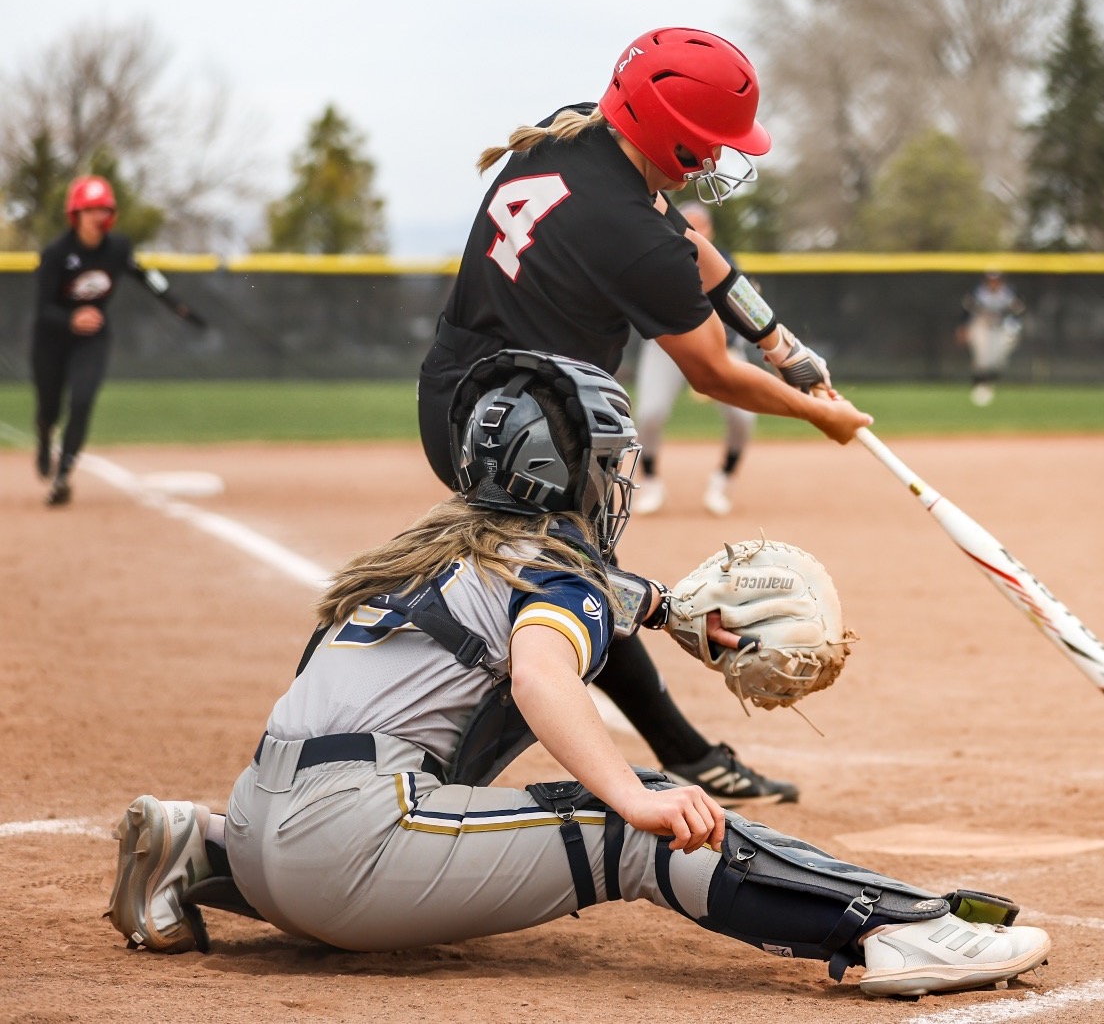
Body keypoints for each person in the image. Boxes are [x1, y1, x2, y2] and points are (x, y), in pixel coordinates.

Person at [102, 352, 1050, 1000]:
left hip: (271, 829)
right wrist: (629, 797)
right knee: (634, 830)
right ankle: (892, 928)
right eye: (610, 464)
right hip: (351, 850)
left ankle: (199, 849)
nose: (617, 482)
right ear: (572, 475)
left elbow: (587, 599)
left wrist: (679, 615)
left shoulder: (433, 552)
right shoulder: (552, 573)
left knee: (478, 768)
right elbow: (541, 677)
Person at [415, 26, 871, 808]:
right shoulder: (628, 240)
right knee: (561, 591)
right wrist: (814, 414)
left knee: (571, 579)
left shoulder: (584, 132)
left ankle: (684, 751)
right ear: (678, 141)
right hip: (513, 428)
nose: (720, 158)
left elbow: (689, 247)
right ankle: (435, 780)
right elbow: (710, 374)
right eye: (711, 144)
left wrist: (779, 340)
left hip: (483, 394)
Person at [30, 175, 206, 505]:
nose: (99, 216)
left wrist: (175, 303)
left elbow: (143, 274)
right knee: (50, 409)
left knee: (82, 400)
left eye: (104, 209)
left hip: (92, 338)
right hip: (51, 340)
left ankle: (63, 475)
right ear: (76, 215)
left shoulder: (117, 247)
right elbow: (42, 309)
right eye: (91, 209)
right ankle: (44, 437)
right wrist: (71, 318)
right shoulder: (56, 254)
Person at [633, 202, 758, 518]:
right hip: (666, 344)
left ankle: (723, 480)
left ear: (709, 230)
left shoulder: (723, 262)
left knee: (743, 419)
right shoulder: (656, 258)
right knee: (649, 414)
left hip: (719, 345)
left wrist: (722, 350)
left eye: (699, 224)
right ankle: (650, 481)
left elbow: (737, 309)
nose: (692, 229)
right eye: (685, 222)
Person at [958, 271, 1024, 407]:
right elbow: (966, 309)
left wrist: (1014, 324)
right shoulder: (978, 292)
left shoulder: (1008, 293)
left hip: (1000, 327)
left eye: (996, 280)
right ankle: (980, 384)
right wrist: (963, 327)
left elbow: (1018, 311)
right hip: (982, 325)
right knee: (981, 357)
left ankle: (988, 383)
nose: (993, 282)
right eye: (990, 280)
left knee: (998, 359)